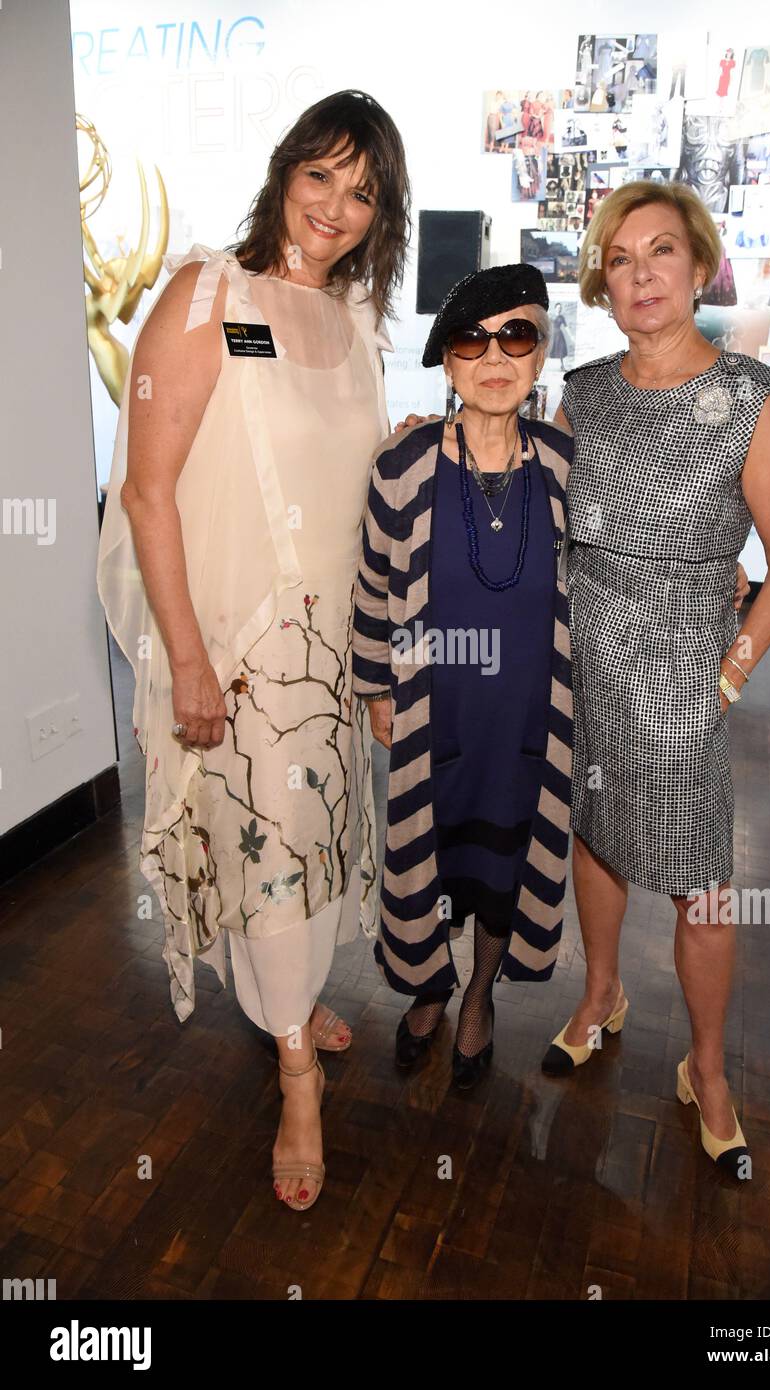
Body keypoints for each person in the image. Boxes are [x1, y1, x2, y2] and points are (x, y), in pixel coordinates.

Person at [97, 90, 410, 1212]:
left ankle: (293, 994)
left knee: (315, 835)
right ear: (285, 171)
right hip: (243, 648)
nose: (335, 207)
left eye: (362, 191)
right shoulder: (205, 296)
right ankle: (293, 1076)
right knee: (270, 836)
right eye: (320, 175)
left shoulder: (356, 324)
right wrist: (184, 654)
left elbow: (367, 485)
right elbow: (146, 493)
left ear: (382, 217)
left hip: (339, 644)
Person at [544, 180, 770, 1176]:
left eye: (661, 251)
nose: (641, 272)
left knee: (702, 883)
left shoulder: (747, 397)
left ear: (699, 269)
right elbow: (547, 514)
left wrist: (729, 677)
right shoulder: (585, 390)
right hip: (587, 652)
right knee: (596, 832)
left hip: (686, 672)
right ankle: (599, 992)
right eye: (619, 257)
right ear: (603, 281)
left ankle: (706, 1063)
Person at [352, 265, 574, 1090]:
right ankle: (427, 991)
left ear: (540, 354)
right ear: (447, 361)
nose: (494, 355)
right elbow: (372, 585)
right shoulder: (403, 463)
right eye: (470, 339)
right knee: (428, 859)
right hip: (431, 714)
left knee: (502, 867)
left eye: (515, 335)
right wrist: (377, 687)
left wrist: (715, 572)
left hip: (528, 717)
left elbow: (618, 565)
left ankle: (477, 996)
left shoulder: (563, 465)